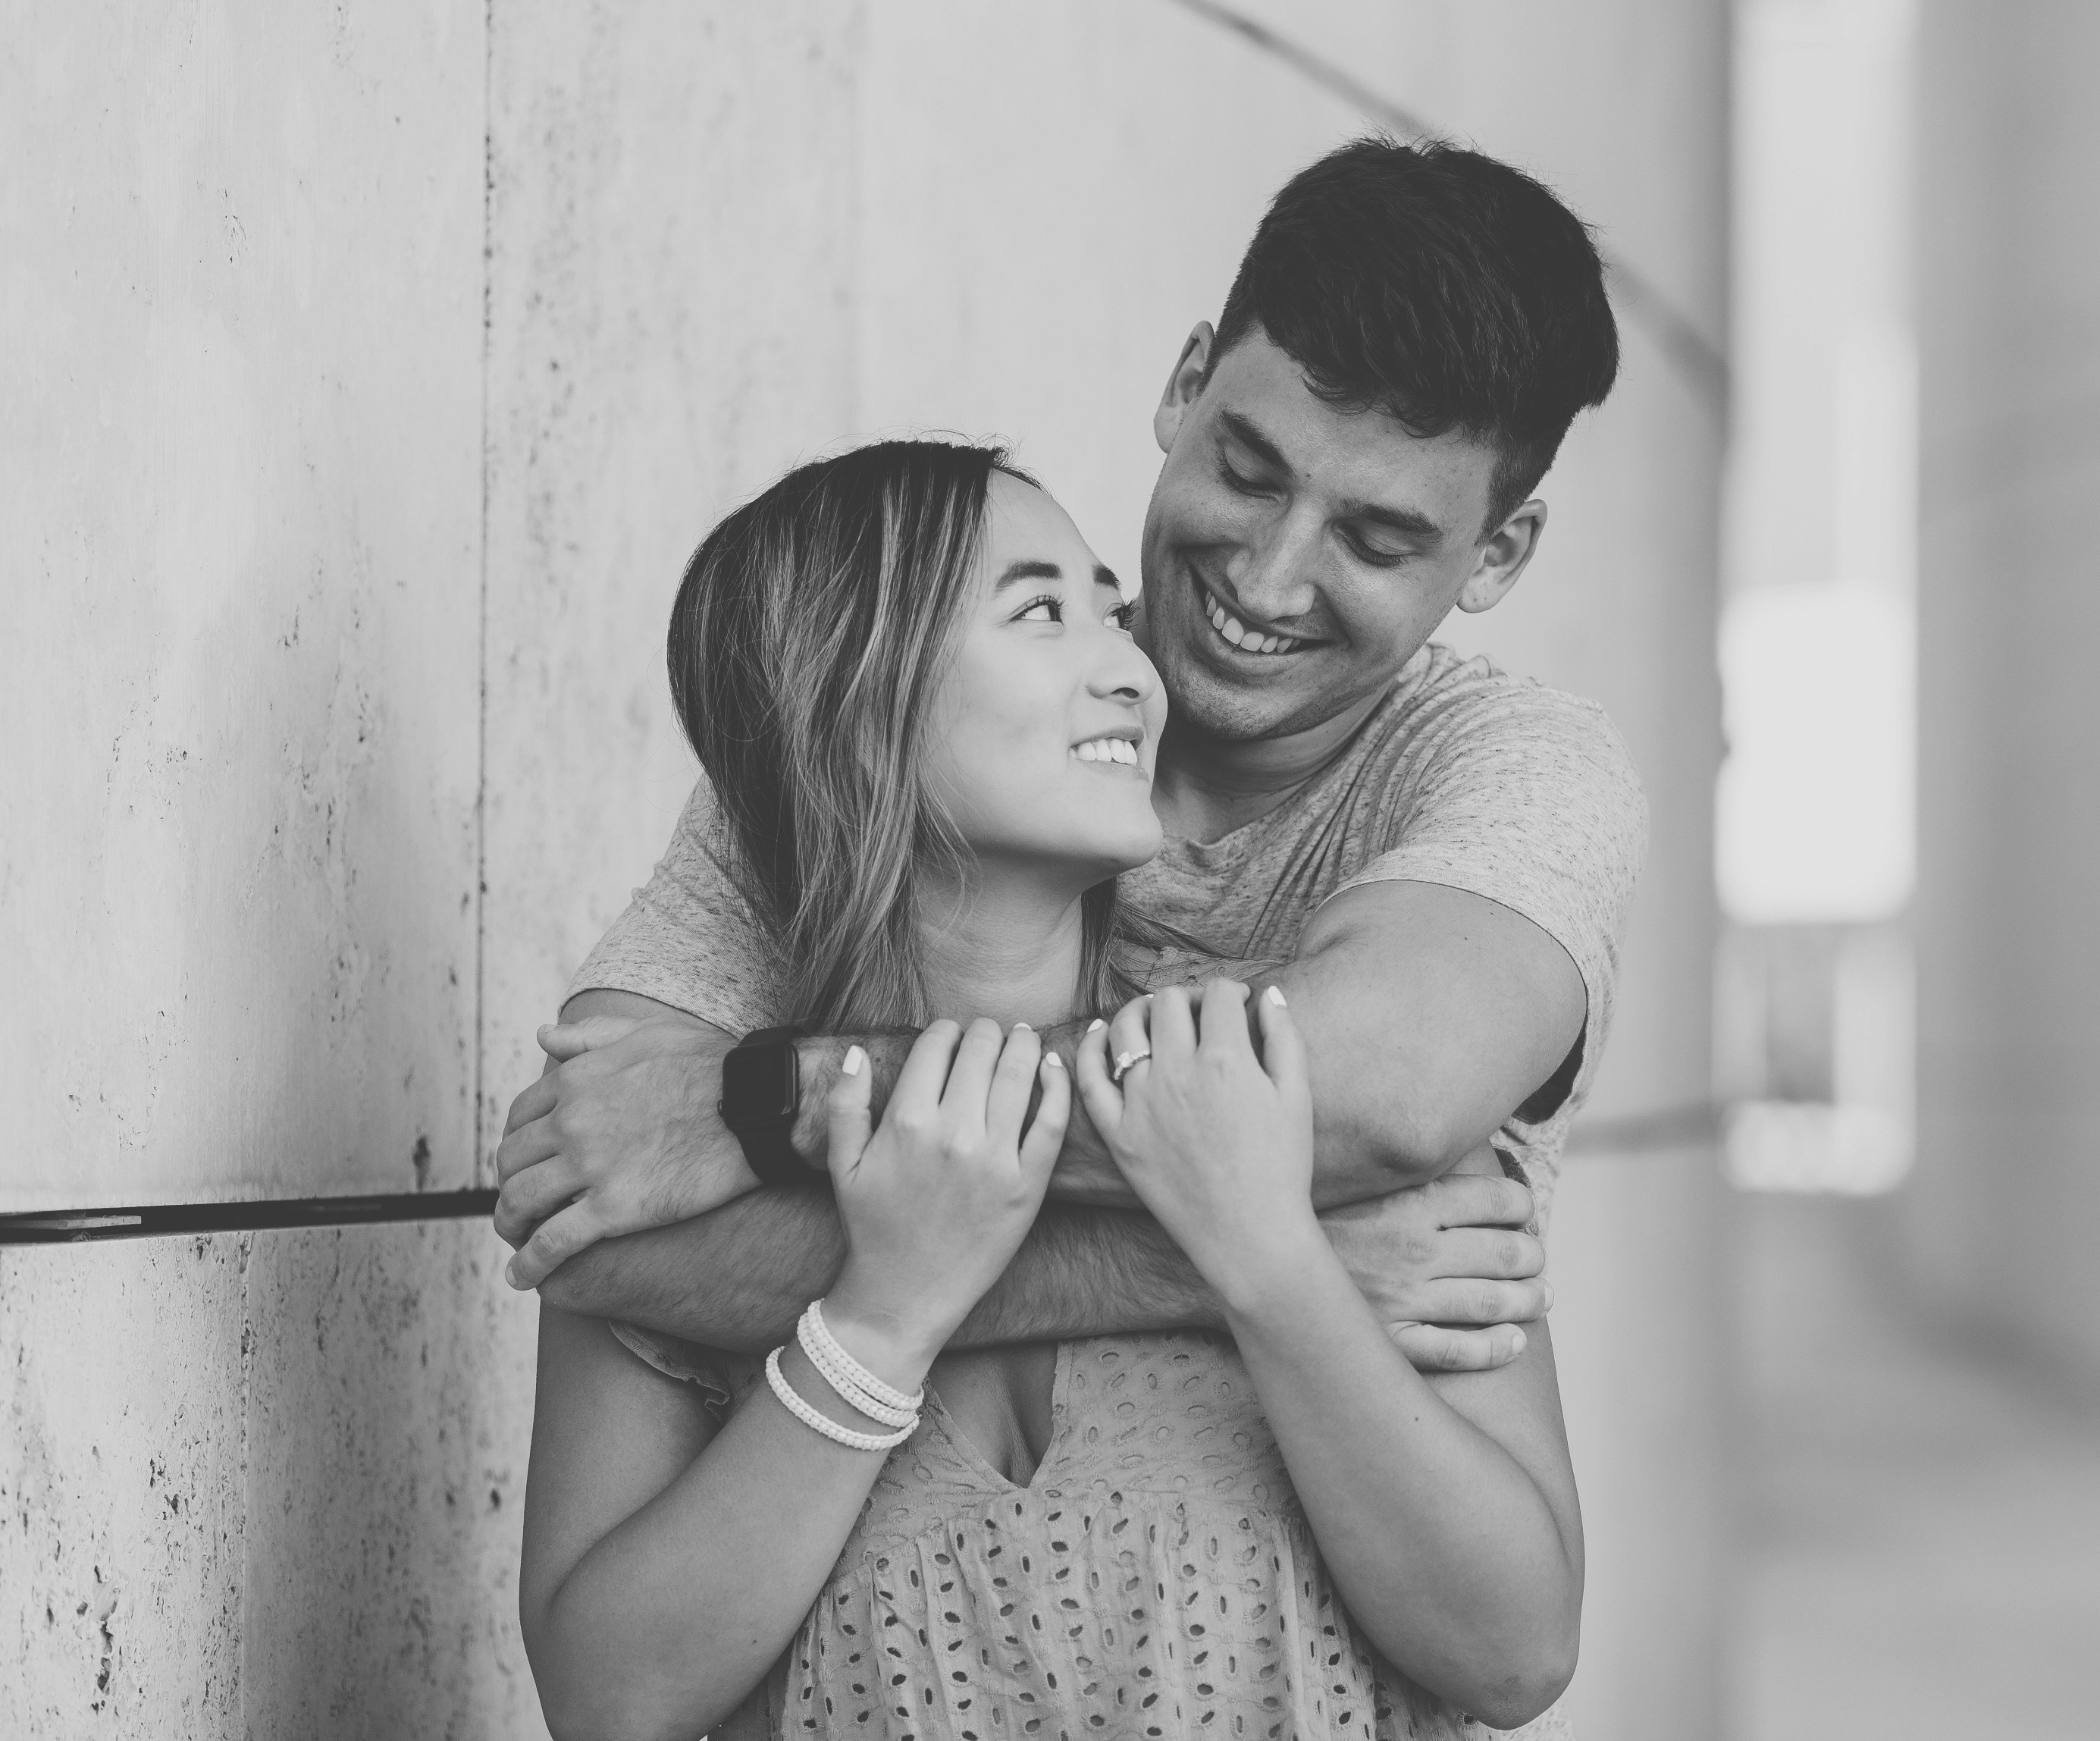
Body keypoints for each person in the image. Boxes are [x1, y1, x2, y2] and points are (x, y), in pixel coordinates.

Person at [496, 138, 1648, 1390]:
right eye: (1246, 475)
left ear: (1497, 555)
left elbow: (1390, 1094)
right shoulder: (909, 715)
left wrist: (771, 1103)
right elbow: (592, 1214)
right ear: (1187, 382)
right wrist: (1234, 1268)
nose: (1266, 581)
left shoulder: (1516, 768)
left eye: (1374, 541)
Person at [520, 442, 1584, 1736]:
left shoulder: (1303, 1108)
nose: (1135, 673)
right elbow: (606, 1696)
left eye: (1109, 613)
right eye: (1041, 614)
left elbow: (1517, 1651)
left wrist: (1265, 1253)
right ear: (859, 705)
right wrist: (880, 1319)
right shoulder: (684, 1180)